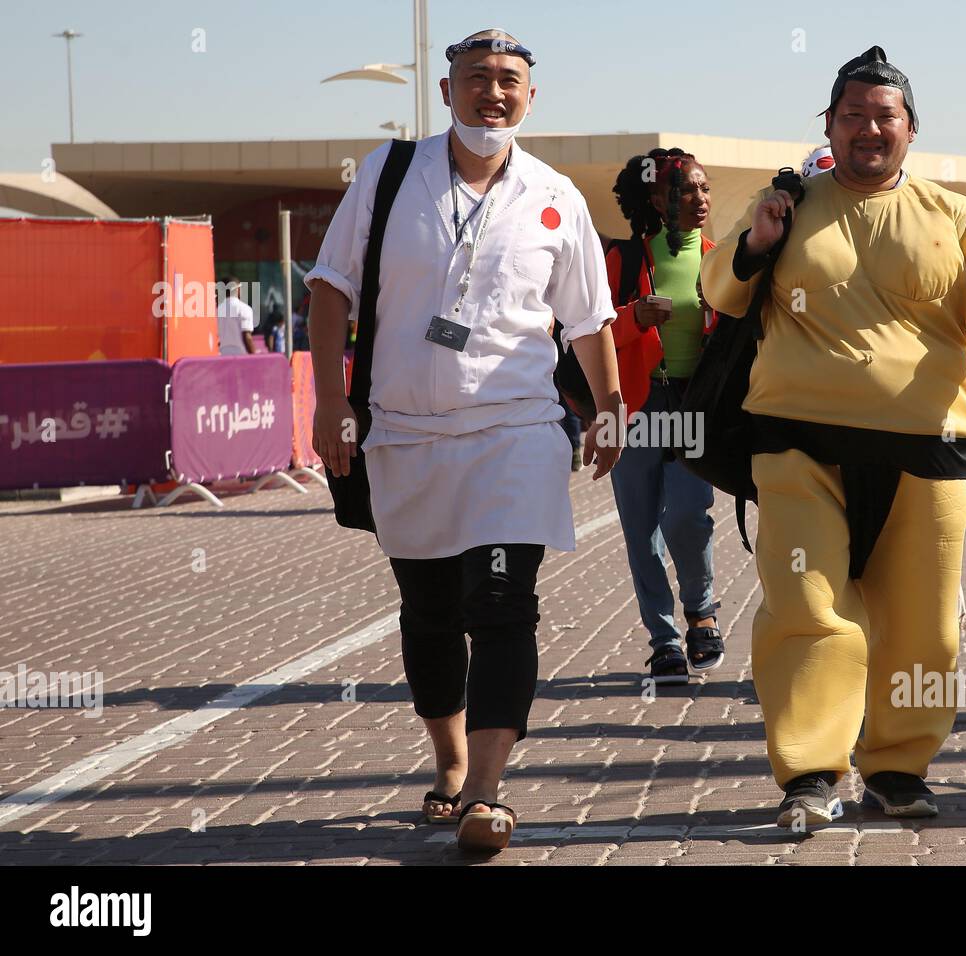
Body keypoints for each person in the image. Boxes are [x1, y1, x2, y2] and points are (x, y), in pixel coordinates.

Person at [701, 46, 966, 826]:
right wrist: (756, 241)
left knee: (923, 624)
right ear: (829, 125)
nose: (867, 128)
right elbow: (719, 287)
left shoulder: (953, 213)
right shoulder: (787, 205)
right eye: (851, 115)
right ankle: (811, 773)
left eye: (883, 115)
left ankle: (898, 767)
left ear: (910, 129)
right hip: (798, 444)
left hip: (927, 446)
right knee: (807, 606)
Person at [305, 29, 621, 852]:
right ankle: (449, 765)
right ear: (445, 91)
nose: (492, 91)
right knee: (432, 611)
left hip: (514, 432)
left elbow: (588, 317)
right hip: (403, 434)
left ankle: (486, 791)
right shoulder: (388, 173)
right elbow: (332, 288)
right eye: (475, 77)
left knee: (504, 603)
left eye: (509, 79)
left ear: (530, 97)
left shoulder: (556, 194)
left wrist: (611, 403)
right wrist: (330, 399)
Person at [605, 149, 721, 684]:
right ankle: (665, 640)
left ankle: (701, 611)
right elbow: (587, 332)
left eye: (703, 188)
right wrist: (633, 316)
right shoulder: (626, 260)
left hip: (693, 404)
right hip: (638, 407)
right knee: (641, 529)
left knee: (688, 516)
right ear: (656, 199)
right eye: (685, 191)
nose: (699, 199)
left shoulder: (722, 260)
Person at [215, 276, 256, 355]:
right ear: (238, 289)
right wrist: (255, 357)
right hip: (241, 356)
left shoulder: (217, 310)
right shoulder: (244, 308)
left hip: (222, 356)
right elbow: (247, 337)